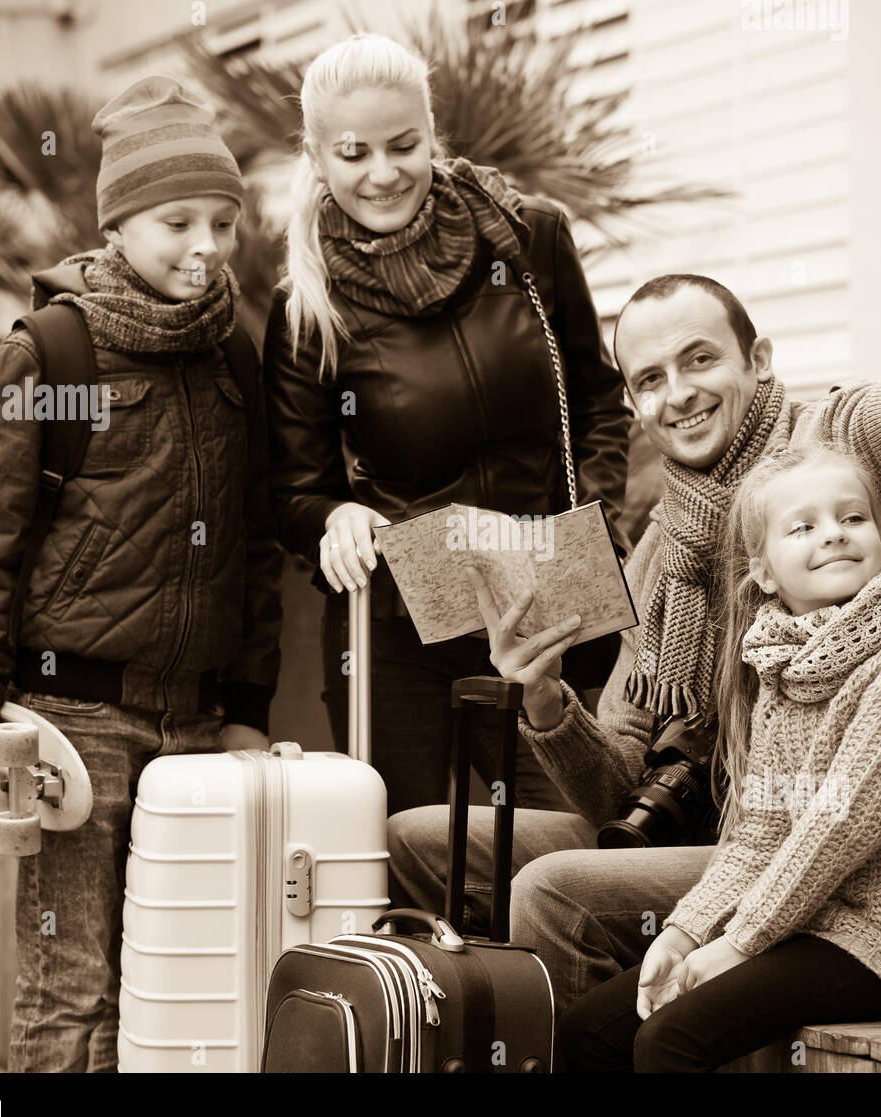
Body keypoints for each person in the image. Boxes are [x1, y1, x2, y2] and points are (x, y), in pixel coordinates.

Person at [388, 274, 881, 1001]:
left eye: (700, 360)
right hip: (698, 834)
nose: (679, 393)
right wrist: (542, 698)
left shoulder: (833, 451)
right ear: (634, 403)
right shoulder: (661, 548)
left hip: (810, 853)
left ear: (758, 358)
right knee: (417, 837)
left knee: (549, 891)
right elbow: (614, 794)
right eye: (651, 379)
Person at [0, 76, 284, 1072]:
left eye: (223, 219)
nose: (205, 244)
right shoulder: (50, 350)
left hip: (197, 724)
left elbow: (255, 547)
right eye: (177, 220)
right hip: (67, 720)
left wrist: (247, 701)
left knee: (176, 972)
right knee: (69, 977)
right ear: (120, 221)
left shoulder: (232, 359)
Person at [264, 32, 631, 816]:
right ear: (317, 155)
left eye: (405, 144)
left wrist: (589, 524)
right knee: (406, 863)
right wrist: (334, 516)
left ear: (433, 131)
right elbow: (294, 489)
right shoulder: (306, 302)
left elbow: (599, 400)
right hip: (398, 633)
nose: (384, 172)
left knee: (557, 849)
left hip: (545, 608)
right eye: (354, 153)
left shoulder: (532, 238)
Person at [555, 444, 881, 1070]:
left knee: (669, 1039)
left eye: (853, 518)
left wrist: (735, 945)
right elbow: (758, 835)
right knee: (590, 1028)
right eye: (803, 527)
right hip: (807, 927)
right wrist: (685, 933)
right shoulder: (783, 671)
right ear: (762, 569)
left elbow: (836, 830)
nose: (833, 536)